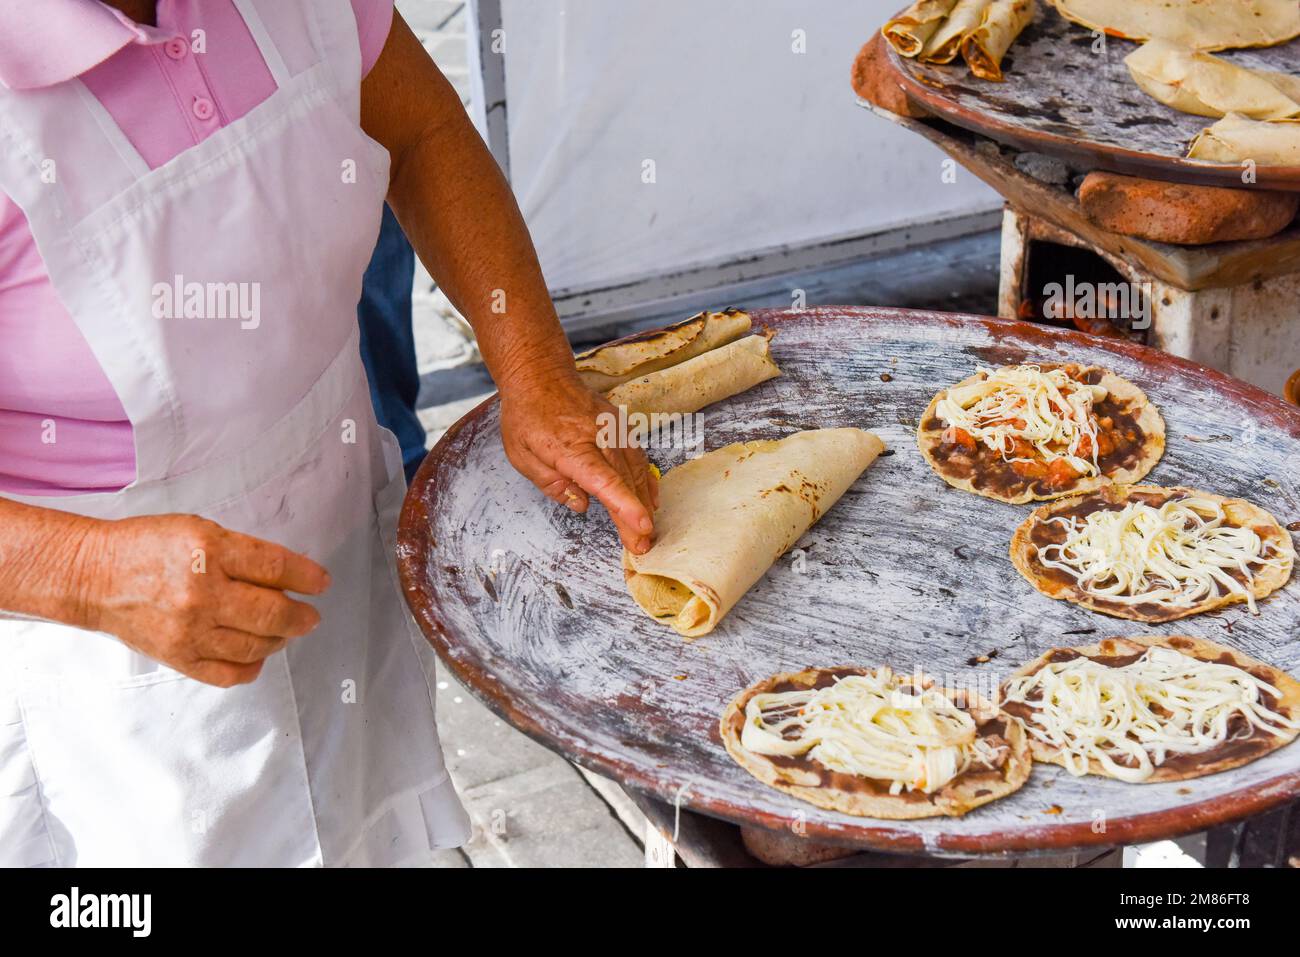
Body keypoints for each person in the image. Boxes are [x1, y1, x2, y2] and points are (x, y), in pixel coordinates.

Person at [0, 0, 656, 866]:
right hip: (112, 690)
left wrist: (532, 364)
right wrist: (91, 573)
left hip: (340, 573)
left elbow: (420, 137)